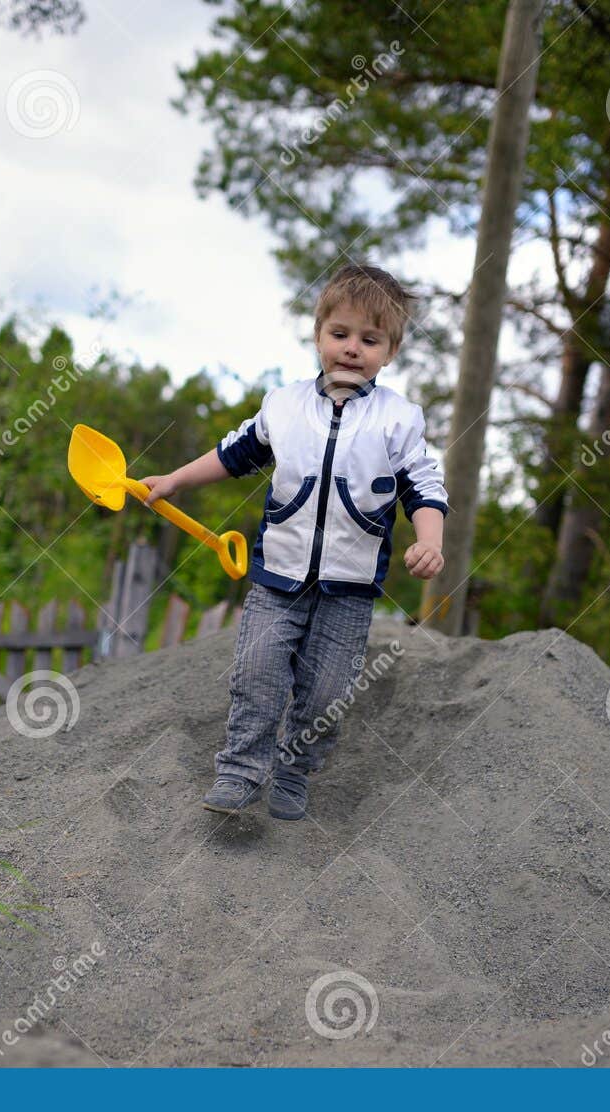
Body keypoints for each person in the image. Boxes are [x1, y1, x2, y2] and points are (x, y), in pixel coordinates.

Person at [139, 263, 448, 821]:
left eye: (369, 339)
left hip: (349, 589)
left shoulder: (398, 421)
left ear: (390, 350)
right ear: (318, 336)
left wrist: (430, 539)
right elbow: (232, 454)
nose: (352, 349)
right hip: (276, 577)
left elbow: (424, 486)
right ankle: (238, 771)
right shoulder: (283, 406)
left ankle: (294, 769)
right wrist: (175, 480)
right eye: (341, 334)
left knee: (326, 694)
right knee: (257, 671)